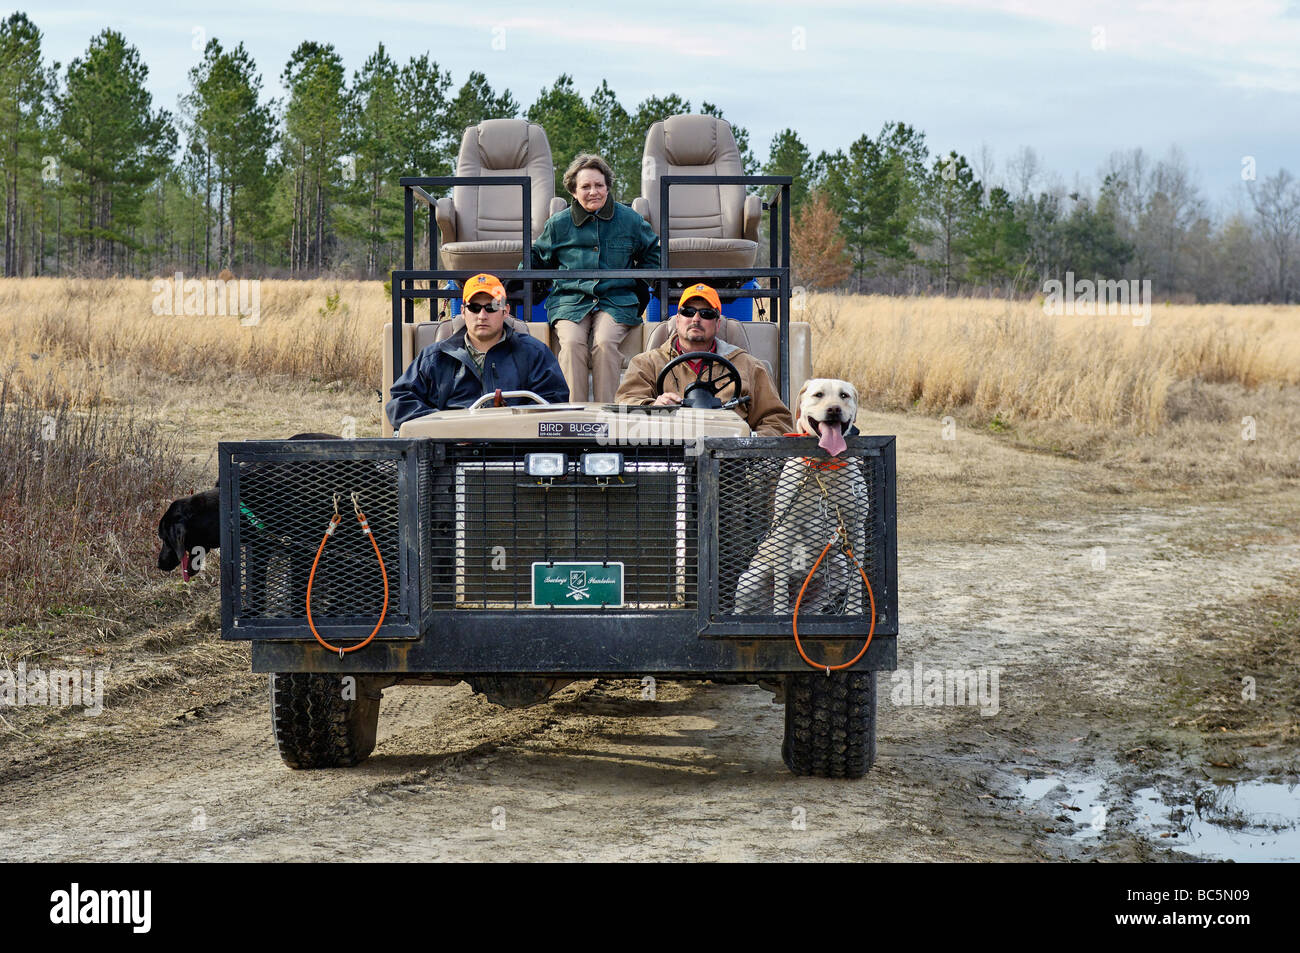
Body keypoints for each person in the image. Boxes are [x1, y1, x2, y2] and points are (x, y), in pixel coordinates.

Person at [524, 153, 661, 403]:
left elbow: (653, 253)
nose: (593, 192)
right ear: (573, 192)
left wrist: (640, 286)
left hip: (616, 300)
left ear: (607, 186)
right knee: (573, 343)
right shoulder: (558, 224)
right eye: (585, 187)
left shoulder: (629, 219)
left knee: (605, 343)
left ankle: (605, 416)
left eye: (599, 185)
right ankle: (573, 418)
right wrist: (515, 285)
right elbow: (536, 258)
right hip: (570, 301)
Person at [386, 273, 569, 430]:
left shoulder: (534, 353)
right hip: (450, 456)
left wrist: (515, 424)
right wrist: (446, 425)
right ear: (463, 312)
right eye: (474, 307)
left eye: (491, 307)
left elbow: (555, 401)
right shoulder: (434, 357)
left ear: (505, 311)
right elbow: (400, 403)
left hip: (513, 455)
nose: (482, 315)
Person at [615, 283, 794, 437]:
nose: (696, 319)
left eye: (706, 313)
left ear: (717, 324)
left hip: (731, 466)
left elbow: (778, 421)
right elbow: (625, 405)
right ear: (677, 320)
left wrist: (745, 441)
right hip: (668, 462)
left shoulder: (749, 366)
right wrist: (654, 407)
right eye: (688, 311)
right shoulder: (646, 363)